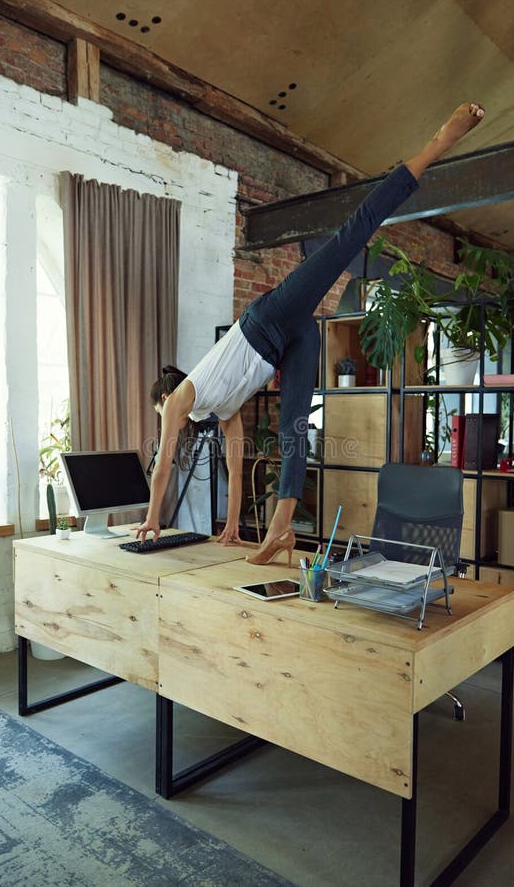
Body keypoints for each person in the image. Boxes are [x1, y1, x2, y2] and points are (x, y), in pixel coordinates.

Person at [137, 102, 486, 563]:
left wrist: (152, 517)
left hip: (271, 317)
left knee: (349, 238)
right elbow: (235, 466)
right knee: (294, 430)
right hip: (292, 343)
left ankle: (440, 141)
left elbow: (162, 465)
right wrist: (231, 530)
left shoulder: (181, 396)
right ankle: (280, 527)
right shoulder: (217, 407)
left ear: (163, 402)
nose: (168, 425)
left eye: (163, 415)